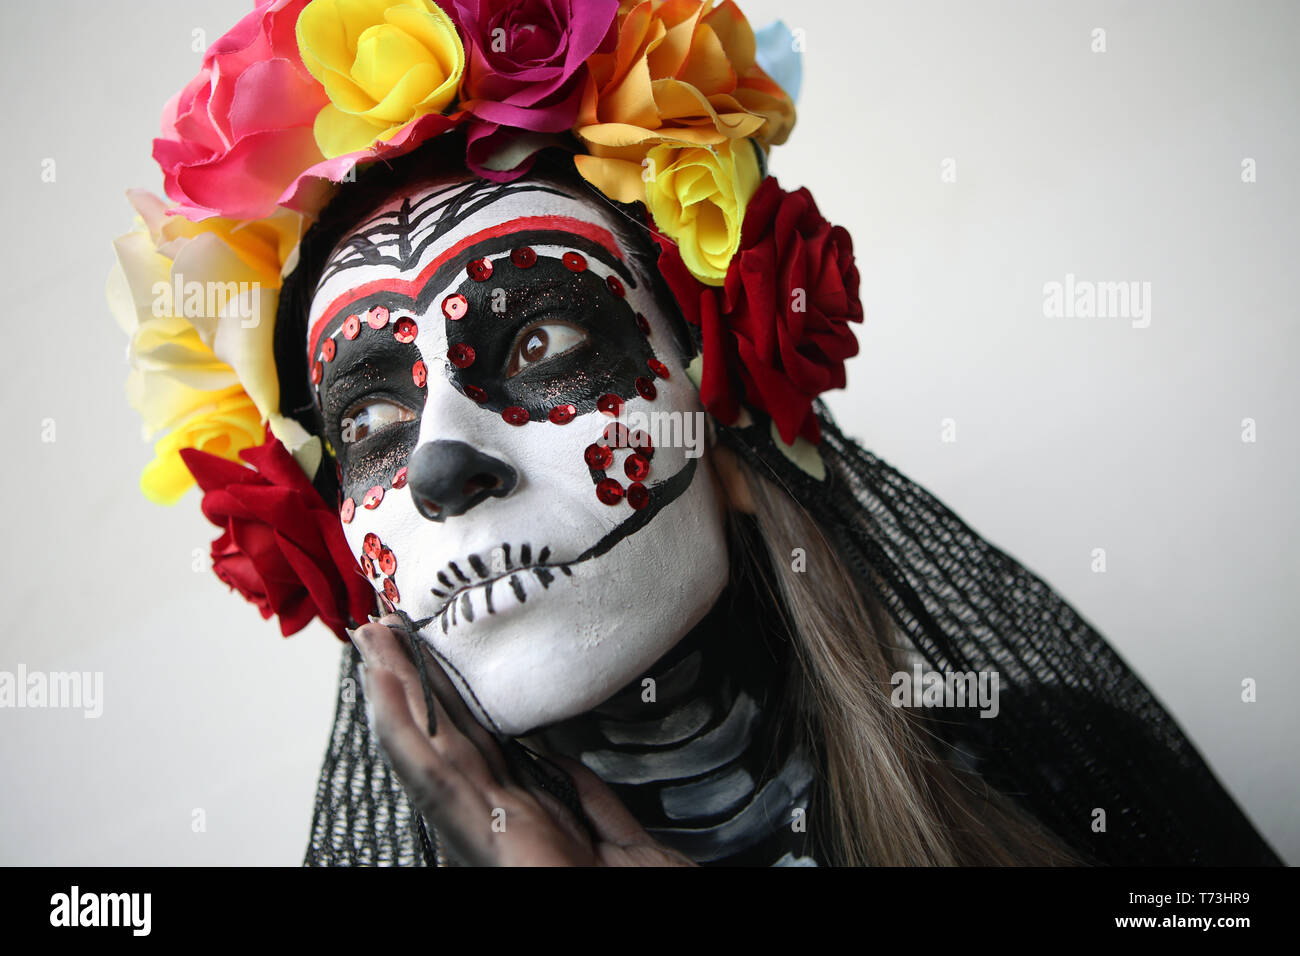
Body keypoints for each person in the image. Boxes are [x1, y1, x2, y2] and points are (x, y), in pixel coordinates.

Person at [109, 0, 1281, 867]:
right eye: (367, 416)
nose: (438, 469)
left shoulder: (1059, 777)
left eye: (540, 346)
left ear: (725, 418)